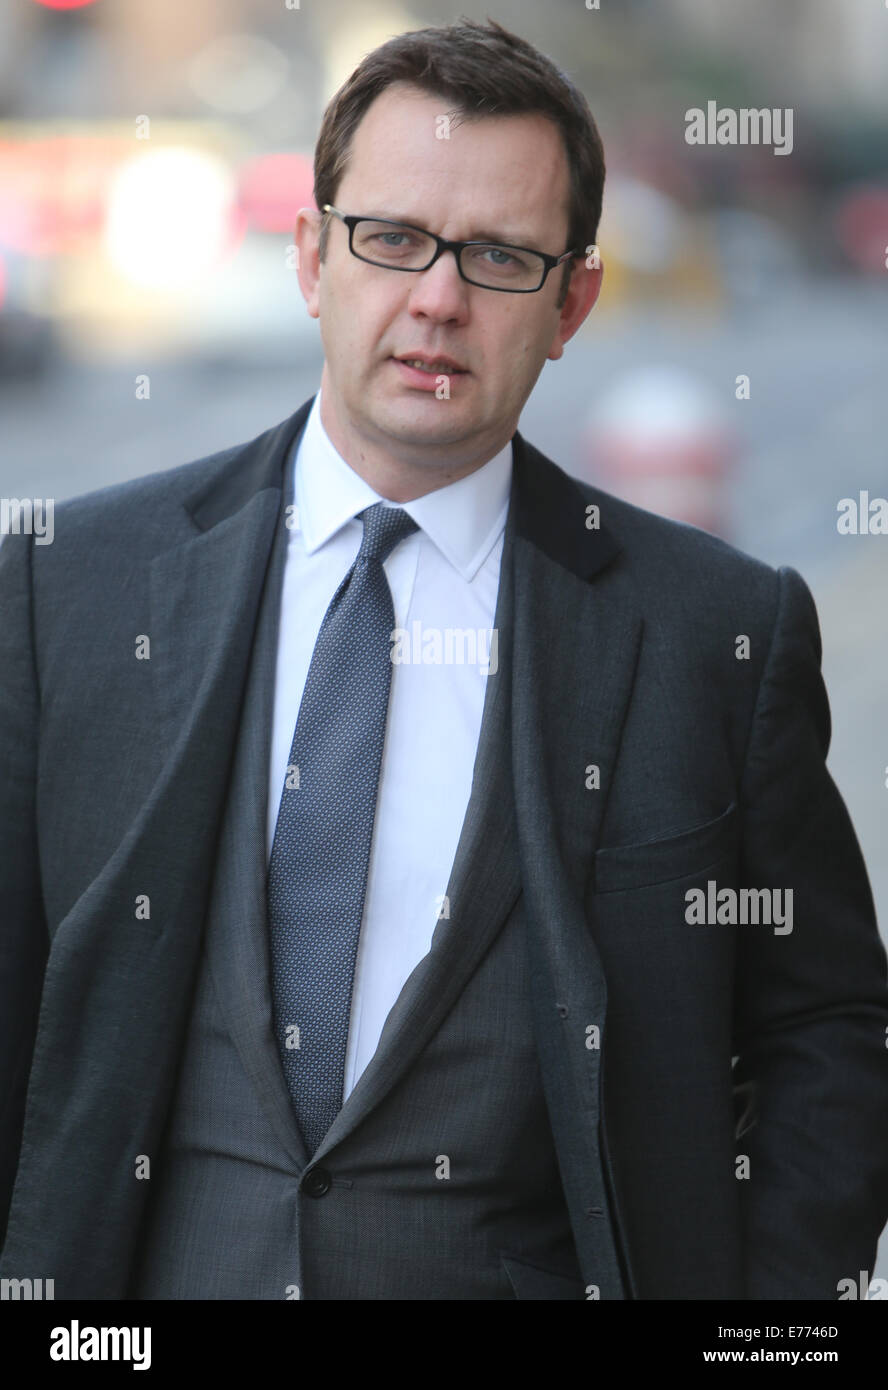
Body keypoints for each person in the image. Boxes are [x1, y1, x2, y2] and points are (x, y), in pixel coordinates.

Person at [1, 17, 886, 1302]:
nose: (437, 298)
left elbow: (830, 1030)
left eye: (500, 256)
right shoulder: (68, 585)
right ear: (313, 256)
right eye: (394, 238)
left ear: (575, 299)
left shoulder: (716, 635)